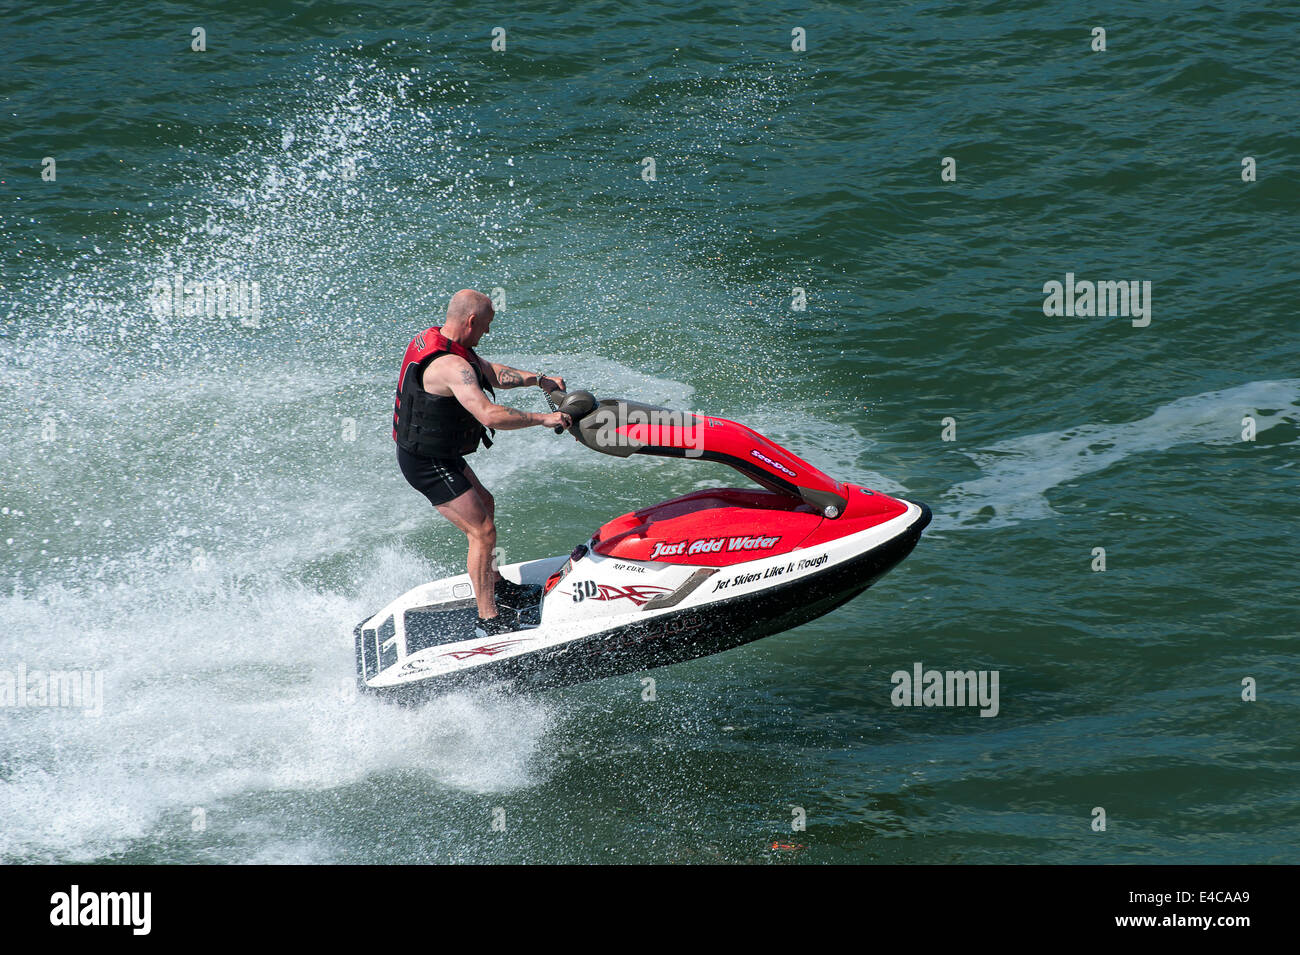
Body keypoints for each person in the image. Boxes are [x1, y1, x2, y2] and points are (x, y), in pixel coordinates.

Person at [393, 289, 570, 636]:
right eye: (486, 325)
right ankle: (489, 619)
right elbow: (488, 414)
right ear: (472, 321)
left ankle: (497, 585)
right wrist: (543, 419)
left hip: (439, 453)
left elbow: (489, 372)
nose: (487, 333)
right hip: (425, 462)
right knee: (482, 531)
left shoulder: (441, 340)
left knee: (485, 504)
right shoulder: (448, 366)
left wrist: (539, 380)